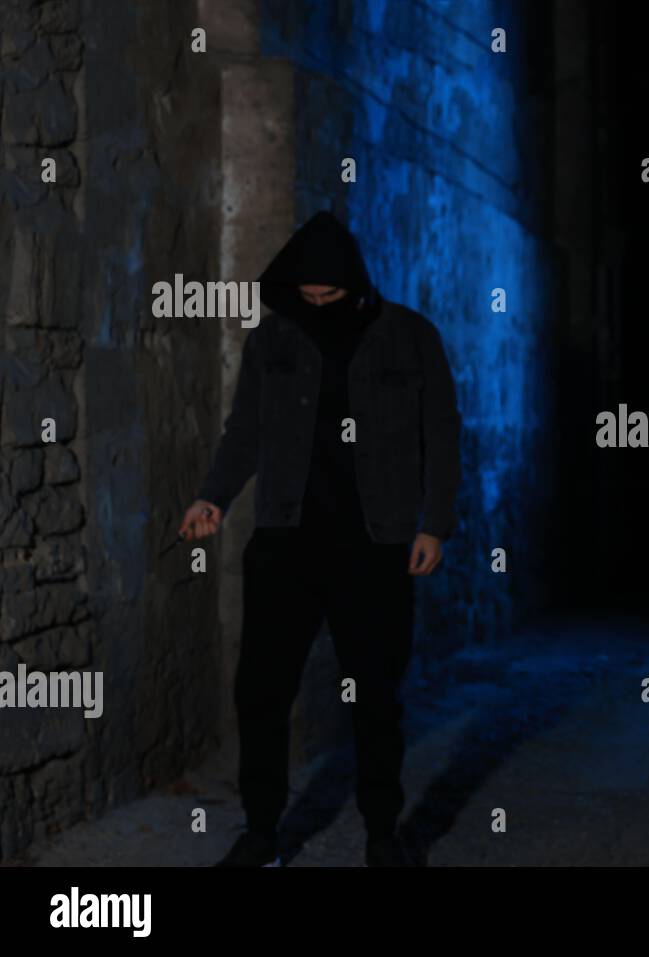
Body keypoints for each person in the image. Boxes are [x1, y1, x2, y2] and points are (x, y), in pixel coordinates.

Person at [179, 210, 461, 867]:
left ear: (354, 285)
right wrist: (212, 495)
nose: (317, 305)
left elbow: (442, 434)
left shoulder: (411, 337)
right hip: (287, 541)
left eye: (329, 295)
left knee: (377, 697)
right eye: (306, 296)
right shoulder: (273, 339)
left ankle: (383, 833)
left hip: (376, 545)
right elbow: (244, 429)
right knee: (261, 690)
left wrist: (434, 523)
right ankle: (261, 831)